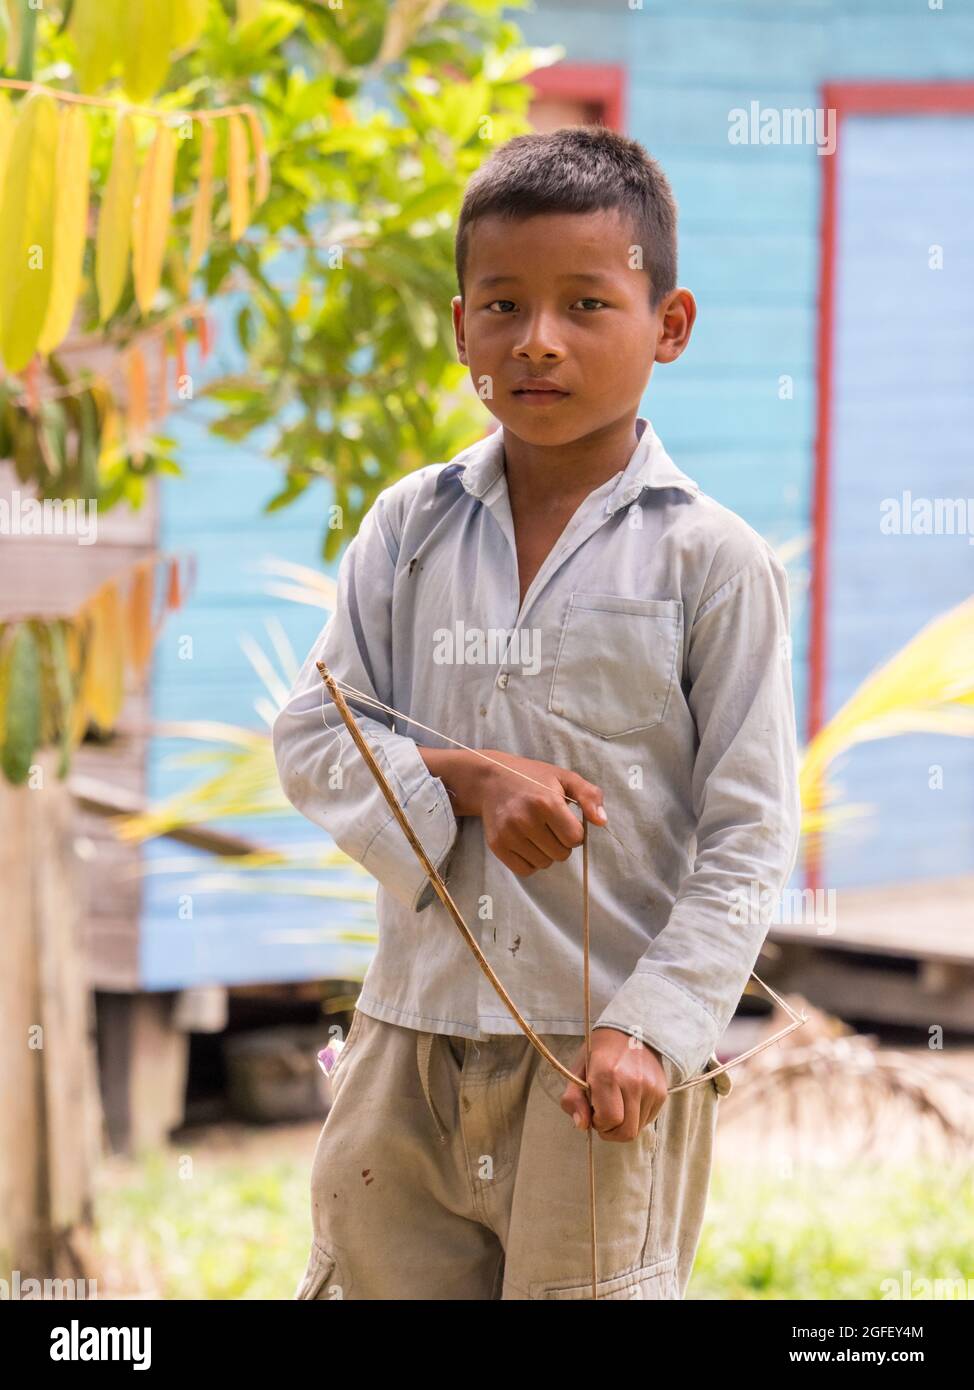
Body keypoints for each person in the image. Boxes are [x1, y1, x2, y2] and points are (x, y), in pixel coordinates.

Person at [272, 126, 802, 1300]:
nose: (537, 341)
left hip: (599, 1063)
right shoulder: (407, 529)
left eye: (584, 303)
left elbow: (751, 833)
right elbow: (315, 734)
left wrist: (652, 1026)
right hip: (406, 1043)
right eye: (502, 305)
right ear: (460, 325)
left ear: (667, 324)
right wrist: (463, 775)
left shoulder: (710, 561)